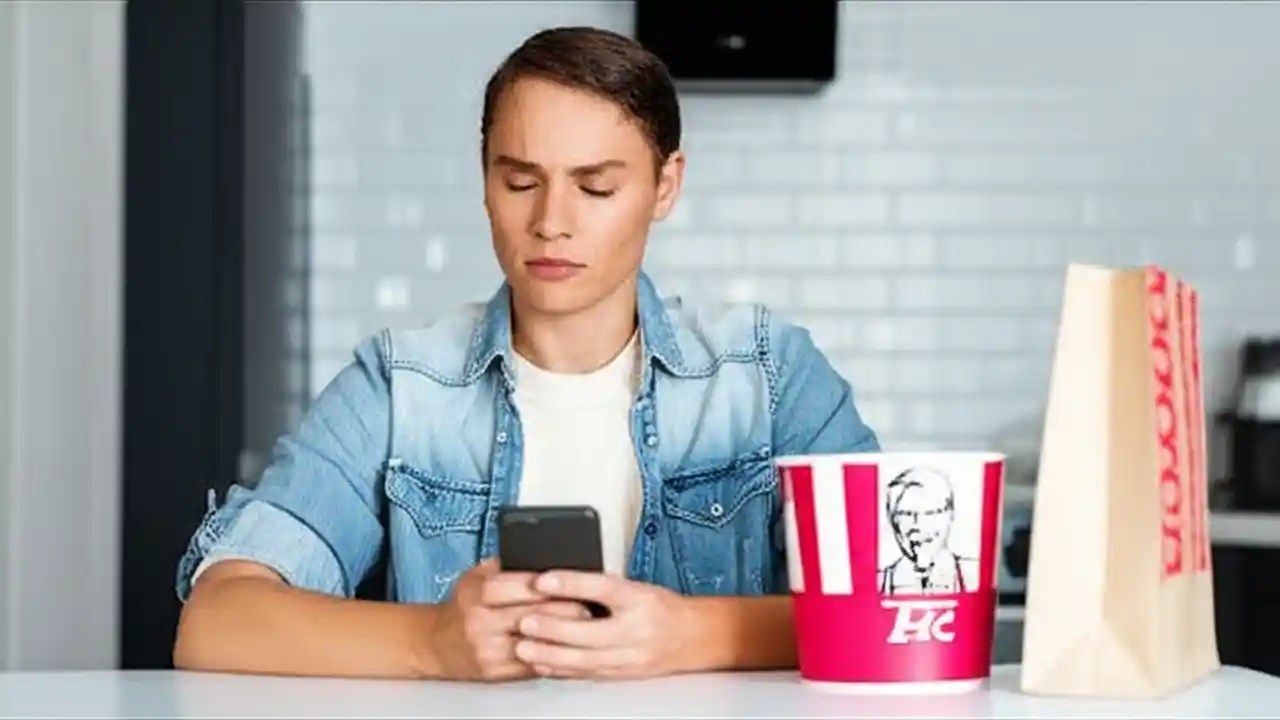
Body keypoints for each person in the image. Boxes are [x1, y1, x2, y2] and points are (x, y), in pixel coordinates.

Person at [172, 25, 878, 682]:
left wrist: (698, 633)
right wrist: (431, 644)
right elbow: (215, 624)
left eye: (595, 187)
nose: (550, 223)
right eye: (519, 182)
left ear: (666, 186)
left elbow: (900, 607)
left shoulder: (766, 375)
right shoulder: (398, 389)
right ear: (484, 182)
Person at [878, 466, 978, 596]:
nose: (919, 524)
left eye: (931, 513)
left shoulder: (975, 573)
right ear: (892, 520)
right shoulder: (877, 582)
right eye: (907, 514)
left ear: (950, 515)